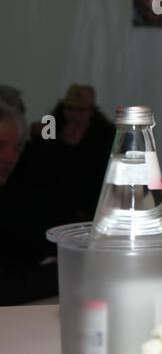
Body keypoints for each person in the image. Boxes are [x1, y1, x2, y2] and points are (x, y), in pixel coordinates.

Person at [19, 84, 115, 223]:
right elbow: (37, 164)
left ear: (91, 112)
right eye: (69, 109)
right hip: (52, 205)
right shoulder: (50, 127)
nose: (74, 114)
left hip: (90, 207)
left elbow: (104, 175)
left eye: (80, 110)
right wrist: (58, 142)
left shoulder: (105, 134)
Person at [0, 98, 61, 304]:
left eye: (17, 148)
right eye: (0, 146)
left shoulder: (13, 193)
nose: (10, 158)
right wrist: (70, 269)